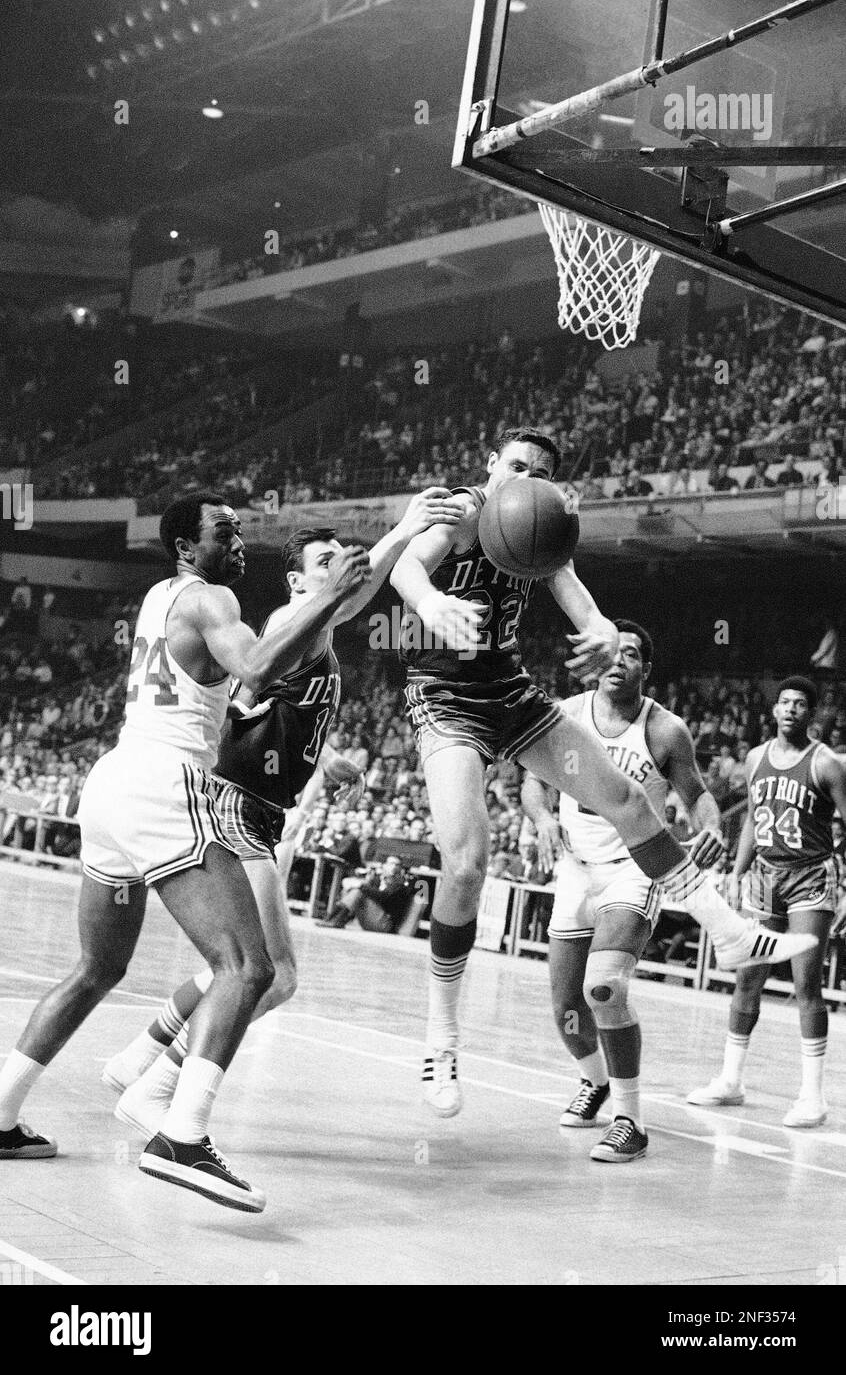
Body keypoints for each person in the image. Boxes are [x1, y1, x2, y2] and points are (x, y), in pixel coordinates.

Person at [389, 427, 815, 1130]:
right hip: (443, 696)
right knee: (466, 865)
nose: (527, 478)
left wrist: (603, 635)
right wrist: (431, 604)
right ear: (493, 467)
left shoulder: (546, 526)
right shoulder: (467, 509)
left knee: (624, 797)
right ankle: (441, 1040)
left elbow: (577, 596)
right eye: (517, 465)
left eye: (541, 473)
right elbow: (409, 565)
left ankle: (730, 932)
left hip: (509, 692)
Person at [0, 492, 372, 1211]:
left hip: (110, 784)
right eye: (224, 533)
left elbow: (238, 706)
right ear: (184, 547)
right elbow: (260, 669)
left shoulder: (160, 597)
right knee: (248, 966)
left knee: (96, 968)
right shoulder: (211, 599)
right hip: (163, 789)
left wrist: (322, 761)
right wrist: (329, 597)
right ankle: (181, 1136)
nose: (238, 542)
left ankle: (2, 1113)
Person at [100, 492, 462, 1135]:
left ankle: (139, 1055)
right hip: (236, 808)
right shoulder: (297, 618)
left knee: (238, 962)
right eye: (326, 560)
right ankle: (158, 1089)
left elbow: (262, 713)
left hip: (254, 805)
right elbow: (353, 595)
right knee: (273, 975)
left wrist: (326, 758)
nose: (339, 566)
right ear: (298, 580)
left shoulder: (304, 627)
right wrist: (406, 527)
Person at [521, 621, 725, 1162]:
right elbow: (531, 781)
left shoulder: (665, 731)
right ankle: (596, 1080)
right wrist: (541, 817)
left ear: (645, 669)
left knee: (604, 988)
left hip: (636, 869)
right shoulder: (563, 714)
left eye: (631, 655)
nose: (619, 662)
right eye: (612, 653)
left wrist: (714, 828)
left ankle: (631, 1121)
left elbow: (697, 794)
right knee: (566, 1007)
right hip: (575, 868)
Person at [687, 677, 846, 1128]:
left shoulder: (828, 764)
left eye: (800, 704)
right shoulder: (756, 758)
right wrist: (737, 873)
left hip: (812, 878)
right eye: (785, 702)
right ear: (774, 710)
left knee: (806, 987)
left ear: (811, 715)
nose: (791, 709)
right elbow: (755, 823)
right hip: (764, 877)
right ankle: (730, 1080)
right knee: (747, 979)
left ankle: (812, 1097)